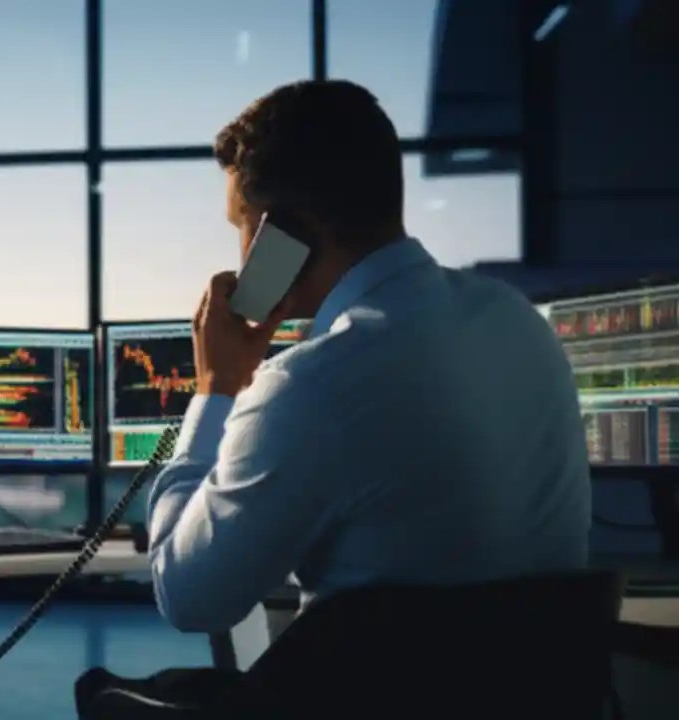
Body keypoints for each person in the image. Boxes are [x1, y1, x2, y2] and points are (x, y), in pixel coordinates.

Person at [77, 79, 590, 717]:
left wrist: (216, 388)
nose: (240, 254)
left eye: (242, 227)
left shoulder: (310, 383)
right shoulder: (520, 324)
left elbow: (188, 597)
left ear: (284, 234)